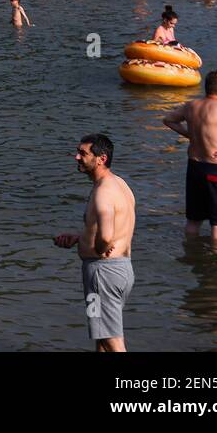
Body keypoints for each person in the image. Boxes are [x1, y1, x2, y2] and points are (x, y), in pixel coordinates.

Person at [53, 134, 136, 352]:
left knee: (110, 338)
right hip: (122, 269)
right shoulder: (120, 184)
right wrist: (81, 239)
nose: (76, 157)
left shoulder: (103, 192)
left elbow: (107, 237)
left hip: (102, 274)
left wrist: (98, 248)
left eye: (83, 153)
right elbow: (116, 230)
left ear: (101, 158)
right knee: (101, 334)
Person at [161, 69, 217, 244]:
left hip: (195, 168)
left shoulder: (191, 106)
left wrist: (189, 135)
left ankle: (191, 253)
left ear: (206, 88)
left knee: (193, 221)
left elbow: (168, 120)